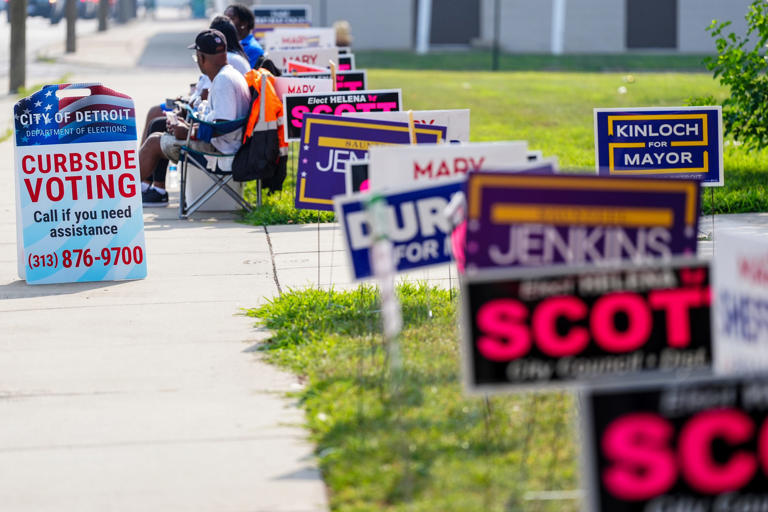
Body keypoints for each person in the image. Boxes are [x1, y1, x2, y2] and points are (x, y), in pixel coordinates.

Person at [138, 29, 251, 206]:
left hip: (221, 153)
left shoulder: (223, 82)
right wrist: (187, 126)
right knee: (161, 129)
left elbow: (223, 126)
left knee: (154, 142)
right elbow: (222, 122)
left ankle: (123, 195)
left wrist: (189, 132)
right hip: (229, 146)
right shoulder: (231, 74)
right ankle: (147, 190)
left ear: (201, 58)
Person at [224, 3, 264, 68]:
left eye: (231, 18)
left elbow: (249, 73)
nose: (226, 22)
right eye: (225, 18)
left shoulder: (253, 49)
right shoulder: (226, 45)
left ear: (244, 23)